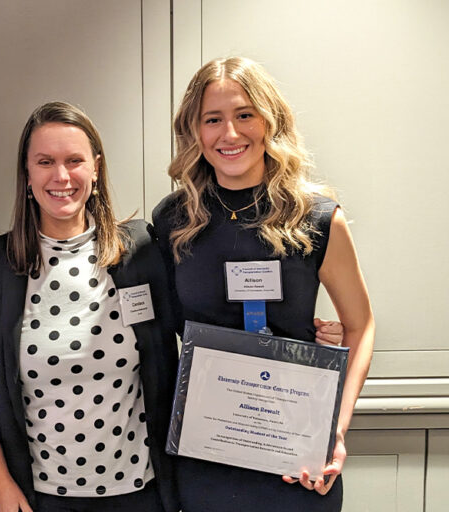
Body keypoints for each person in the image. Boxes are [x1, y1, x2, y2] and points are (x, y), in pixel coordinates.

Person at [153, 57, 375, 511]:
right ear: (194, 131)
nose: (230, 134)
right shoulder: (173, 218)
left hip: (296, 454)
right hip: (207, 450)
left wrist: (335, 428)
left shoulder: (315, 218)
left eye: (244, 115)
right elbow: (167, 327)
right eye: (212, 119)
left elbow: (362, 325)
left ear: (270, 120)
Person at [0, 102, 179, 512]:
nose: (61, 176)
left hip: (139, 493)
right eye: (45, 162)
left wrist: (300, 334)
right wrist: (1, 484)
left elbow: (193, 334)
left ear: (95, 169)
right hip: (35, 497)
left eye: (74, 161)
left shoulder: (141, 252)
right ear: (27, 174)